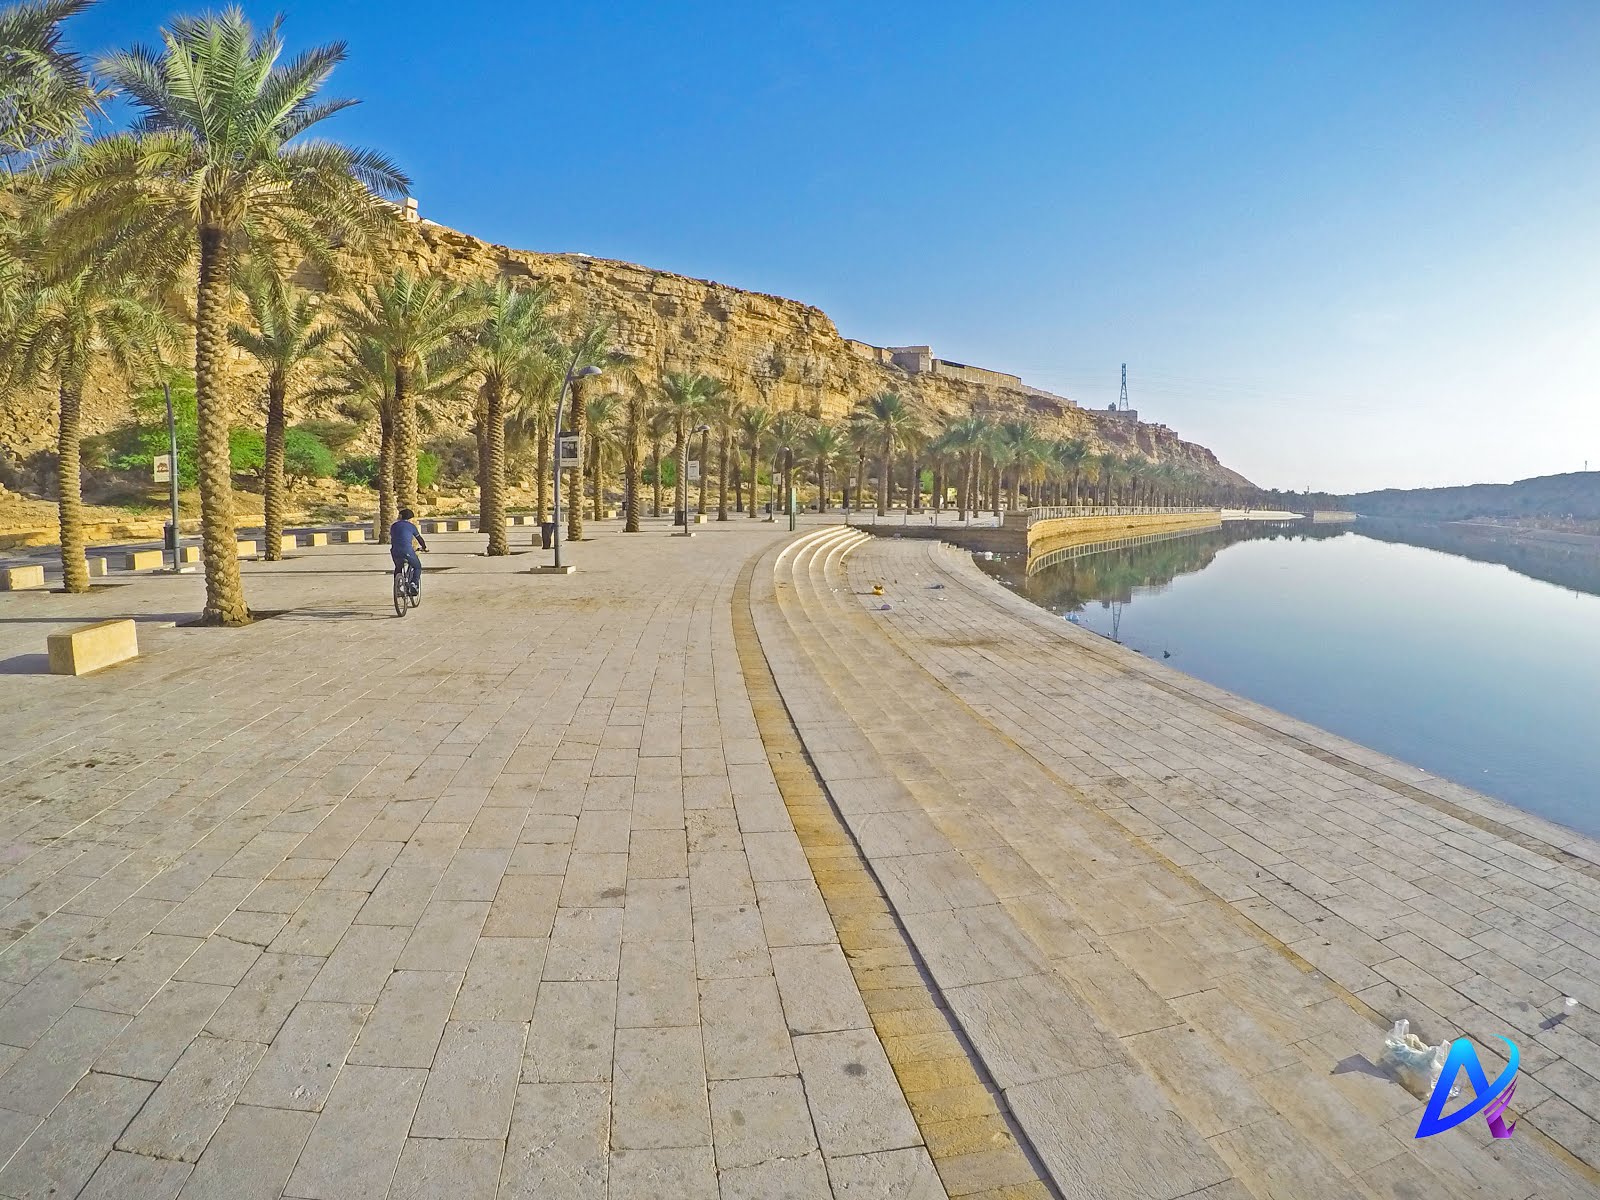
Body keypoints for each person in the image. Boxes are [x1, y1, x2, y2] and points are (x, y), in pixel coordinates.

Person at [390, 508, 428, 596]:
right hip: (407, 550)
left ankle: (397, 588)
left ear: (401, 516)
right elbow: (419, 539)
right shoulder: (411, 526)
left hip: (394, 550)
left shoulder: (394, 525)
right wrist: (424, 547)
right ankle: (413, 583)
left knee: (398, 567)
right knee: (417, 566)